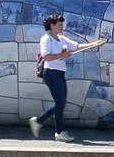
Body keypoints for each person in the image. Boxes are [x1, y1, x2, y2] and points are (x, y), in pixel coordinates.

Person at [29, 14, 105, 143]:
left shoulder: (61, 38)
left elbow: (76, 46)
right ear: (52, 26)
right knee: (60, 103)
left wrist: (93, 44)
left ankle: (38, 121)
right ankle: (59, 132)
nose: (61, 27)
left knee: (61, 103)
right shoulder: (46, 39)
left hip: (59, 73)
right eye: (59, 25)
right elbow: (46, 57)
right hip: (50, 73)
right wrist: (62, 54)